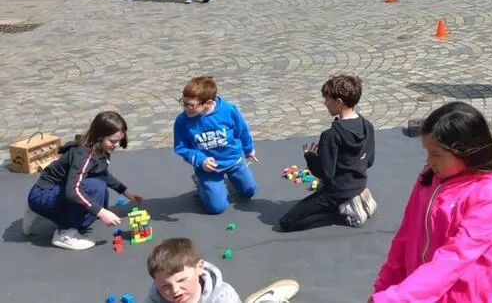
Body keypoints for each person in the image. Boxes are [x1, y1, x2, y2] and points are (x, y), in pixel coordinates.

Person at [370, 102, 492, 302]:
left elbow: (454, 258)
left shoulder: (489, 196)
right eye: (428, 152)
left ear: (465, 150)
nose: (429, 161)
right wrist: (384, 286)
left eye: (436, 154)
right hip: (424, 291)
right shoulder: (429, 178)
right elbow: (406, 235)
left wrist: (397, 298)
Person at [23, 111, 141, 250]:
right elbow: (73, 191)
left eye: (119, 140)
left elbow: (101, 173)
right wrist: (101, 212)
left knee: (98, 188)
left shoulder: (100, 148)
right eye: (113, 141)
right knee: (96, 188)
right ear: (99, 137)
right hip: (43, 194)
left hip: (52, 190)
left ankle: (43, 211)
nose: (116, 144)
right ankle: (65, 234)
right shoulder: (84, 154)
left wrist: (125, 191)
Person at [278, 74, 378, 232]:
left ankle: (338, 212)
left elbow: (326, 174)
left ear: (339, 102)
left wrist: (310, 157)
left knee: (286, 222)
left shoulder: (331, 135)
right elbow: (370, 160)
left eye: (327, 100)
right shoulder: (367, 125)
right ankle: (356, 198)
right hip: (359, 183)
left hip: (337, 191)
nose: (325, 104)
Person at [173, 76, 258, 215]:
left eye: (192, 105)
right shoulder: (182, 121)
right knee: (217, 208)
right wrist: (201, 161)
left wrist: (249, 149)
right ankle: (202, 185)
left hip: (233, 161)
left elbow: (241, 130)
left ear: (208, 103)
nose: (186, 108)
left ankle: (232, 179)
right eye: (184, 102)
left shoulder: (229, 110)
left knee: (249, 191)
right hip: (208, 168)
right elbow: (181, 147)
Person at [146, 237, 300, 303]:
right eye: (165, 286)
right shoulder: (154, 300)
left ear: (199, 268)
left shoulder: (223, 297)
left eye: (181, 280)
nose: (175, 290)